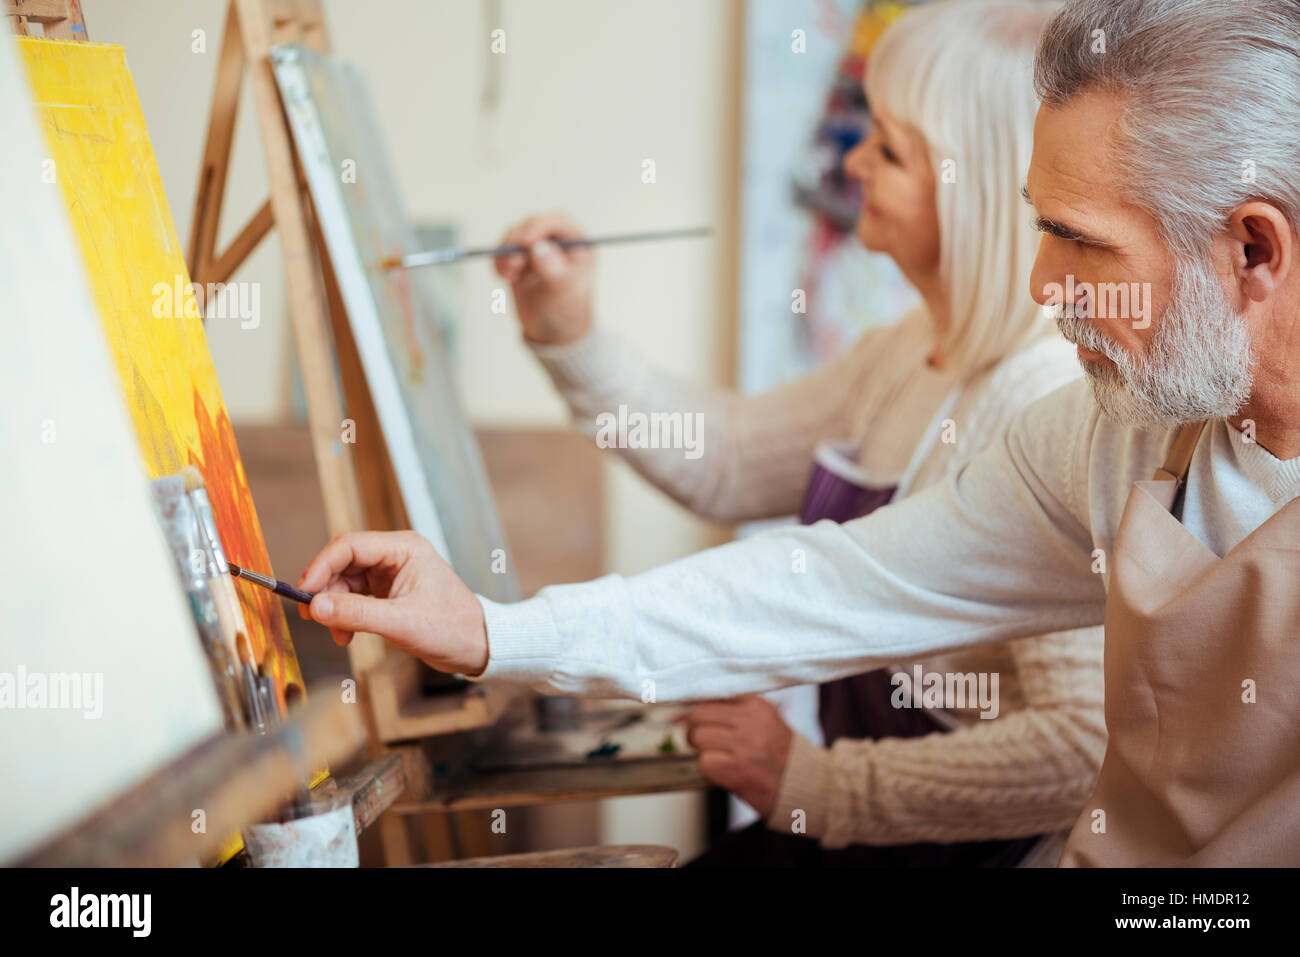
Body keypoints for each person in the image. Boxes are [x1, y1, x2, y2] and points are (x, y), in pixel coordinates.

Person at [300, 0, 1300, 866]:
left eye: (1080, 241)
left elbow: (1070, 745)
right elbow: (824, 587)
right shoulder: (1109, 436)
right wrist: (494, 630)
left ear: (1252, 248)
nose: (1044, 285)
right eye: (1043, 230)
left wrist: (824, 783)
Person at [485, 0, 1102, 868]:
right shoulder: (906, 357)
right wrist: (569, 334)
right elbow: (731, 461)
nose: (850, 161)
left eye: (886, 148)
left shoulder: (1044, 399)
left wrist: (814, 781)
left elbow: (1080, 747)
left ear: (979, 189)